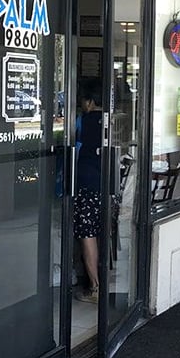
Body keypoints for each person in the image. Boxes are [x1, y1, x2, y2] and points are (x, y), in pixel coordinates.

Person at [74, 78, 103, 303]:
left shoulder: (84, 121)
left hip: (86, 183)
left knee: (87, 235)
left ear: (90, 102)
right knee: (96, 232)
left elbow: (73, 147)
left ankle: (94, 287)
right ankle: (99, 282)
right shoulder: (110, 121)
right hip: (105, 185)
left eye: (83, 100)